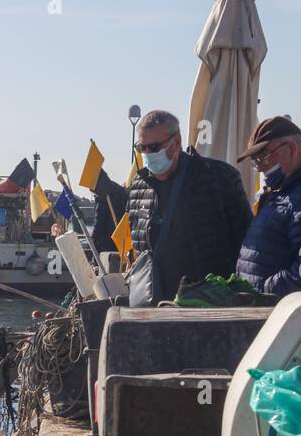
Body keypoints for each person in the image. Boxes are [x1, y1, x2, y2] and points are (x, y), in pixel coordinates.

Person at [96, 109, 252, 304]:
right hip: (156, 303)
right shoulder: (137, 187)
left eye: (153, 147)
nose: (147, 154)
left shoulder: (219, 178)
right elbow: (139, 247)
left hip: (208, 305)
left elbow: (246, 244)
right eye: (141, 148)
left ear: (176, 142)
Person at [236, 117, 301, 297]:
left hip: (287, 318)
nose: (260, 168)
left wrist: (262, 292)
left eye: (263, 158)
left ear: (291, 148)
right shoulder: (283, 191)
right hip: (267, 314)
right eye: (255, 162)